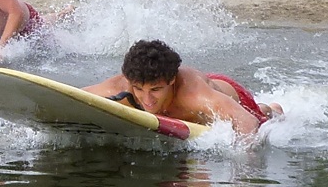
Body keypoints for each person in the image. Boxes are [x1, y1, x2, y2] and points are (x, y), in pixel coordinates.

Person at [82, 40, 283, 136]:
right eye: (138, 89)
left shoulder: (194, 95)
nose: (147, 100)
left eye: (155, 90)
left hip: (232, 95)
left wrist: (242, 172)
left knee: (260, 117)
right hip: (206, 86)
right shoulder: (124, 83)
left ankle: (271, 108)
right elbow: (73, 96)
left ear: (170, 81)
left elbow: (246, 121)